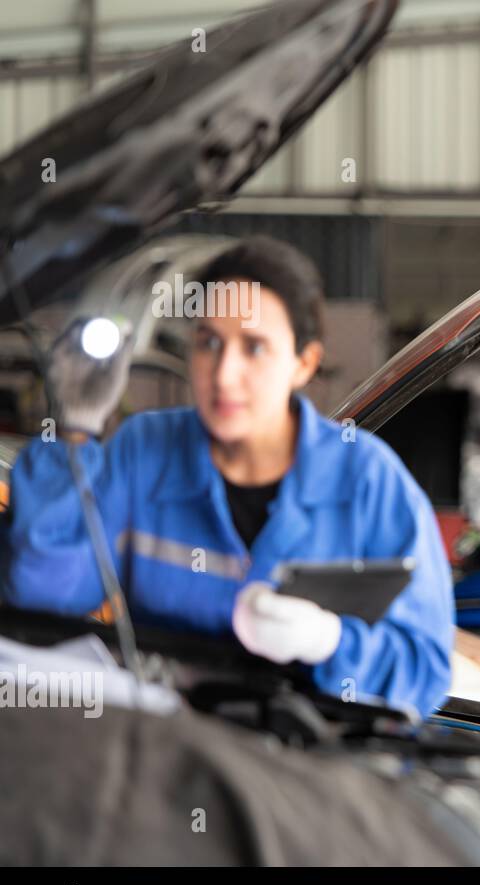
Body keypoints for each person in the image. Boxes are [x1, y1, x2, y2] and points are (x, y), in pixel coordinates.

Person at [2, 236, 454, 716]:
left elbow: (423, 674)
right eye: (209, 343)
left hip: (310, 772)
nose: (223, 374)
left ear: (304, 363)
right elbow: (41, 596)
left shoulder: (368, 482)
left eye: (254, 347)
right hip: (166, 754)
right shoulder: (145, 452)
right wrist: (75, 429)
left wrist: (331, 642)